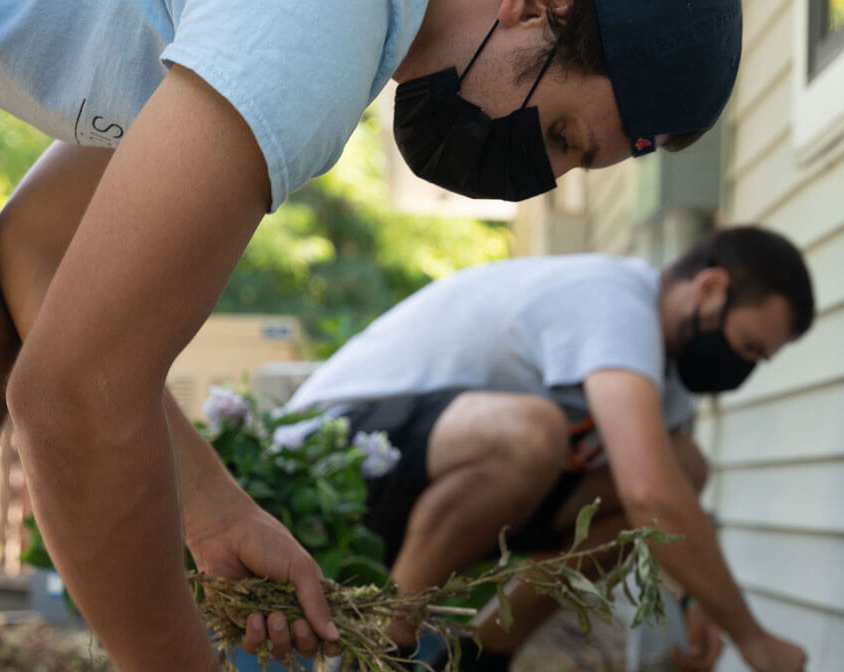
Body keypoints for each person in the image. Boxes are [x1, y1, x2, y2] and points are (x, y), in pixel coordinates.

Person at [0, 0, 747, 668]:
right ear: (539, 2)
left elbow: (35, 252)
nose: (545, 172)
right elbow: (74, 398)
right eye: (566, 135)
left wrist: (212, 507)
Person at [279, 227, 816, 672]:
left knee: (685, 465)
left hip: (432, 476)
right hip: (339, 455)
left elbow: (660, 497)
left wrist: (692, 599)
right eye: (746, 346)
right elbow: (648, 488)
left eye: (758, 359)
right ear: (709, 289)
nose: (740, 368)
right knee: (532, 434)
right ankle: (381, 651)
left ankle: (480, 657)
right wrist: (751, 636)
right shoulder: (614, 301)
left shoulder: (666, 377)